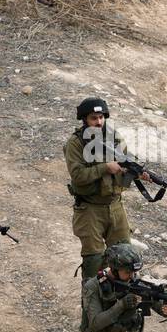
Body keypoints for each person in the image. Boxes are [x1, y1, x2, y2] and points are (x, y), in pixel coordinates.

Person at [64, 97, 142, 289]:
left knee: (125, 257)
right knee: (94, 262)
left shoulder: (113, 137)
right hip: (90, 208)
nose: (98, 122)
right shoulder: (76, 143)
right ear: (84, 119)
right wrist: (105, 168)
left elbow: (128, 159)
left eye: (101, 117)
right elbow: (78, 175)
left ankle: (121, 307)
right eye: (93, 118)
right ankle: (91, 313)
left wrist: (136, 171)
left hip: (115, 205)